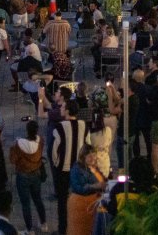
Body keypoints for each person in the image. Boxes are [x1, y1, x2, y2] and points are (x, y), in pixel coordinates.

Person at [50, 100, 89, 235]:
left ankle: (63, 230)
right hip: (78, 170)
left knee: (62, 202)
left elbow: (54, 150)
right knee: (79, 198)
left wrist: (57, 164)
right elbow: (88, 147)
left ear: (67, 111)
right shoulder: (84, 126)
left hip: (63, 170)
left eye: (64, 107)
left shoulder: (59, 127)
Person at [9, 119, 48, 235]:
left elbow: (13, 160)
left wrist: (13, 148)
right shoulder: (41, 141)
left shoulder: (19, 144)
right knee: (38, 199)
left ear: (27, 130)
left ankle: (30, 230)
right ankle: (44, 224)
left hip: (23, 176)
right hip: (36, 174)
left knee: (26, 204)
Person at [67, 145, 106, 235]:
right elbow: (78, 188)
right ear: (83, 157)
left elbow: (102, 180)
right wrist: (94, 186)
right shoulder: (76, 169)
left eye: (94, 155)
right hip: (80, 207)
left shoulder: (94, 168)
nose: (93, 158)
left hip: (93, 207)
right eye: (90, 156)